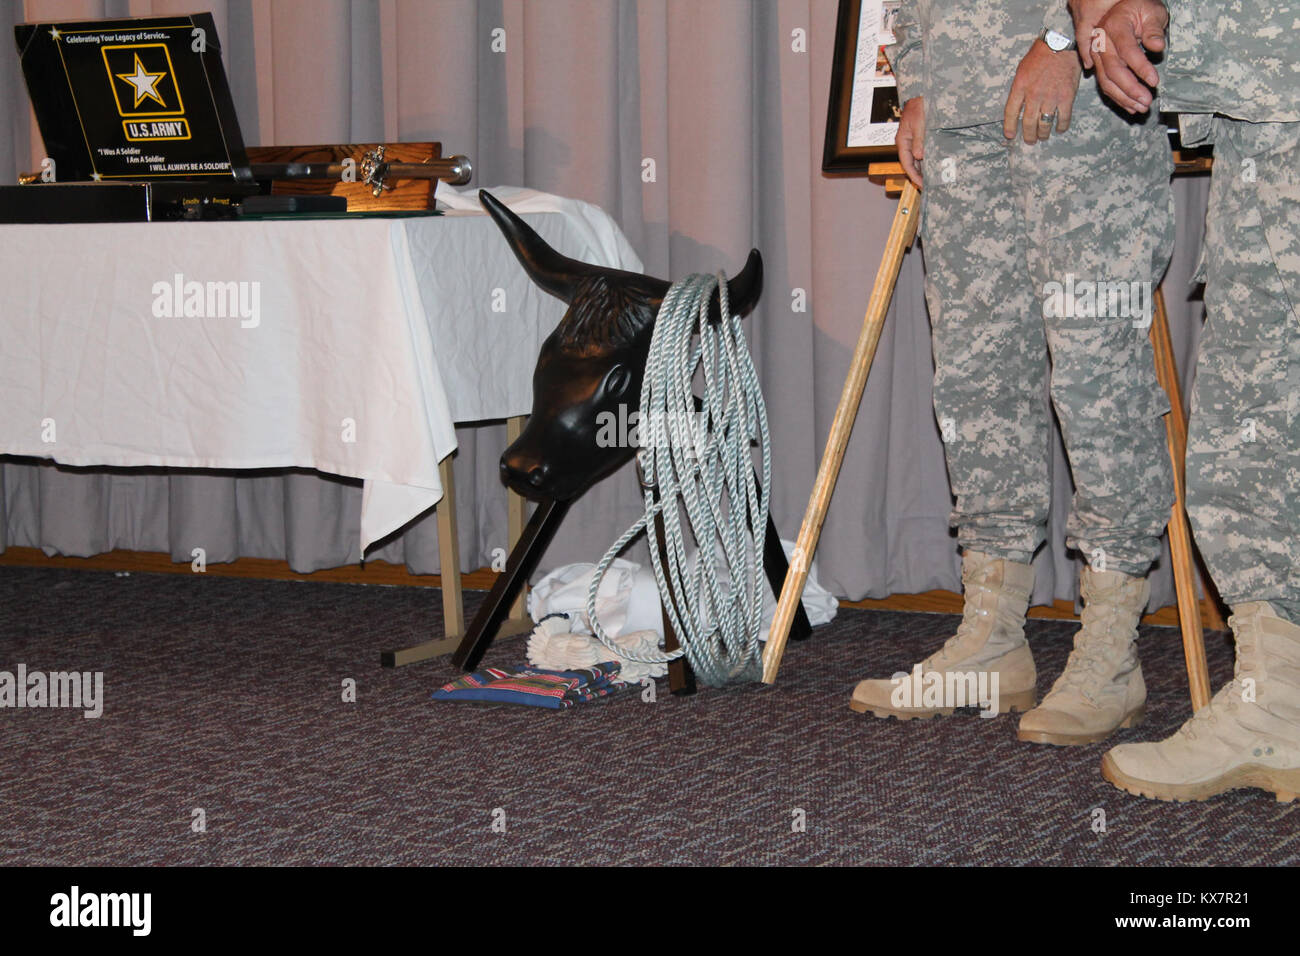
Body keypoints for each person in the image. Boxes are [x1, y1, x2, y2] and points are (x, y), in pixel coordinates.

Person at [850, 0, 1177, 747]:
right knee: (977, 379)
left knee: (1099, 381)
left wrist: (1068, 36)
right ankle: (992, 635)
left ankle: (1111, 649)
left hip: (1080, 100)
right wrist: (921, 85)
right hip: (964, 117)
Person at [1072, 0, 1300, 802]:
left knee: (1258, 432)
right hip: (1270, 133)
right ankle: (1278, 698)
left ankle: (1277, 704)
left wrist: (1100, 23)